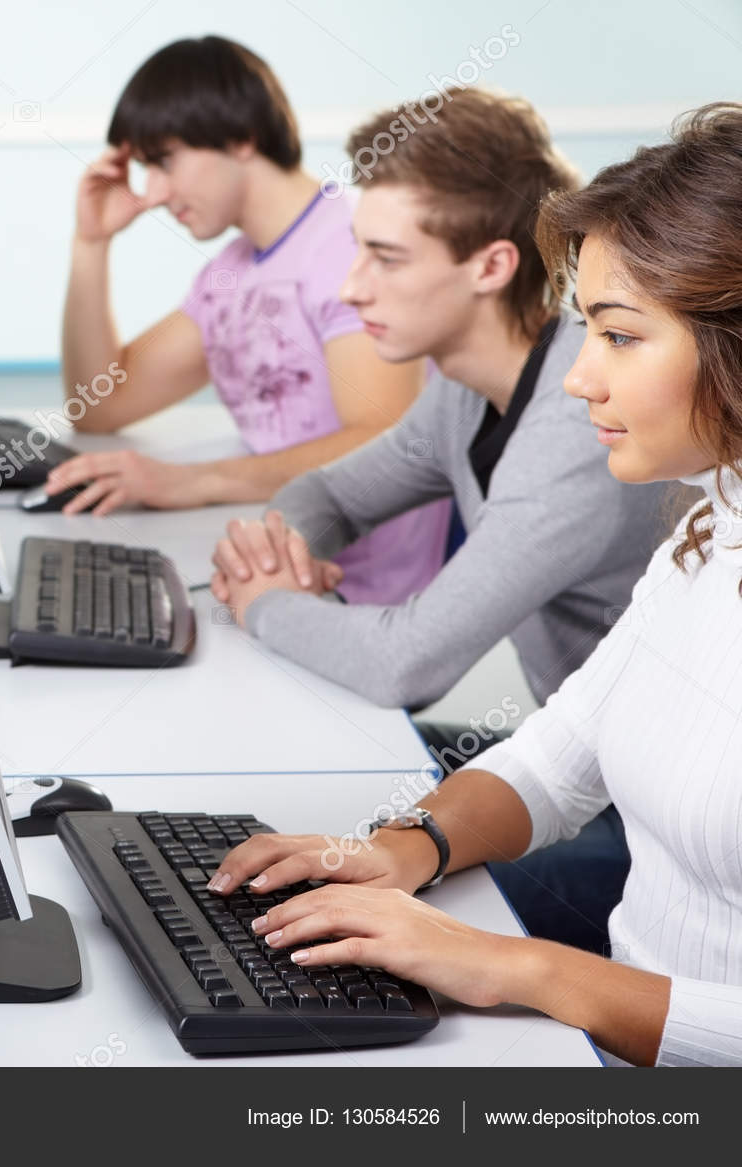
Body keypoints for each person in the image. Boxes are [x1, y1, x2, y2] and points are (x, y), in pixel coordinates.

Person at [208, 103, 742, 1066]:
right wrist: (405, 847)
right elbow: (559, 751)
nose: (580, 380)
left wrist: (514, 966)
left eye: (620, 337)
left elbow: (408, 662)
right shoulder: (709, 522)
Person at [49, 35, 447, 606]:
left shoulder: (354, 246)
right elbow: (98, 404)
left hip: (357, 595)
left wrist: (185, 483)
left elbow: (380, 441)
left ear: (240, 138)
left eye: (164, 161)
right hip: (268, 562)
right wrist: (91, 244)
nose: (154, 194)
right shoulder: (231, 275)